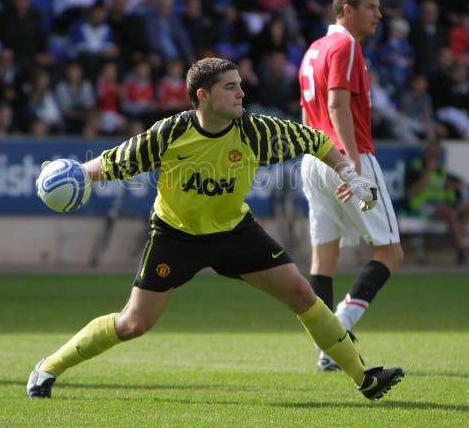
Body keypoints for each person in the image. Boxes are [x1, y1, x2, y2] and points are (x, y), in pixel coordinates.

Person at [25, 57, 403, 400]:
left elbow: (316, 141)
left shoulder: (255, 131)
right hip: (176, 236)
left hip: (234, 232)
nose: (242, 94)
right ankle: (47, 368)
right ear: (203, 96)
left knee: (302, 294)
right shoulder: (170, 133)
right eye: (230, 87)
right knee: (133, 323)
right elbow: (114, 161)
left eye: (240, 85)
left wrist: (349, 174)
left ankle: (363, 378)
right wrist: (78, 173)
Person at [297, 0, 404, 372]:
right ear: (347, 10)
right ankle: (337, 330)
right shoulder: (346, 46)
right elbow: (336, 104)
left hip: (314, 158)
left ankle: (327, 350)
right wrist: (352, 162)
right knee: (389, 251)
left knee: (324, 255)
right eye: (371, 7)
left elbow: (309, 111)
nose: (379, 15)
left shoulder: (314, 49)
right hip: (346, 154)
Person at [405, 141, 469, 264]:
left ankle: (456, 231)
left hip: (445, 203)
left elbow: (459, 183)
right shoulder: (415, 168)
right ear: (426, 154)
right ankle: (461, 251)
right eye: (432, 154)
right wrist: (428, 172)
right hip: (424, 205)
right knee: (450, 213)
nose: (435, 158)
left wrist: (451, 186)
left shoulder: (441, 170)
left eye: (437, 155)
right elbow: (411, 192)